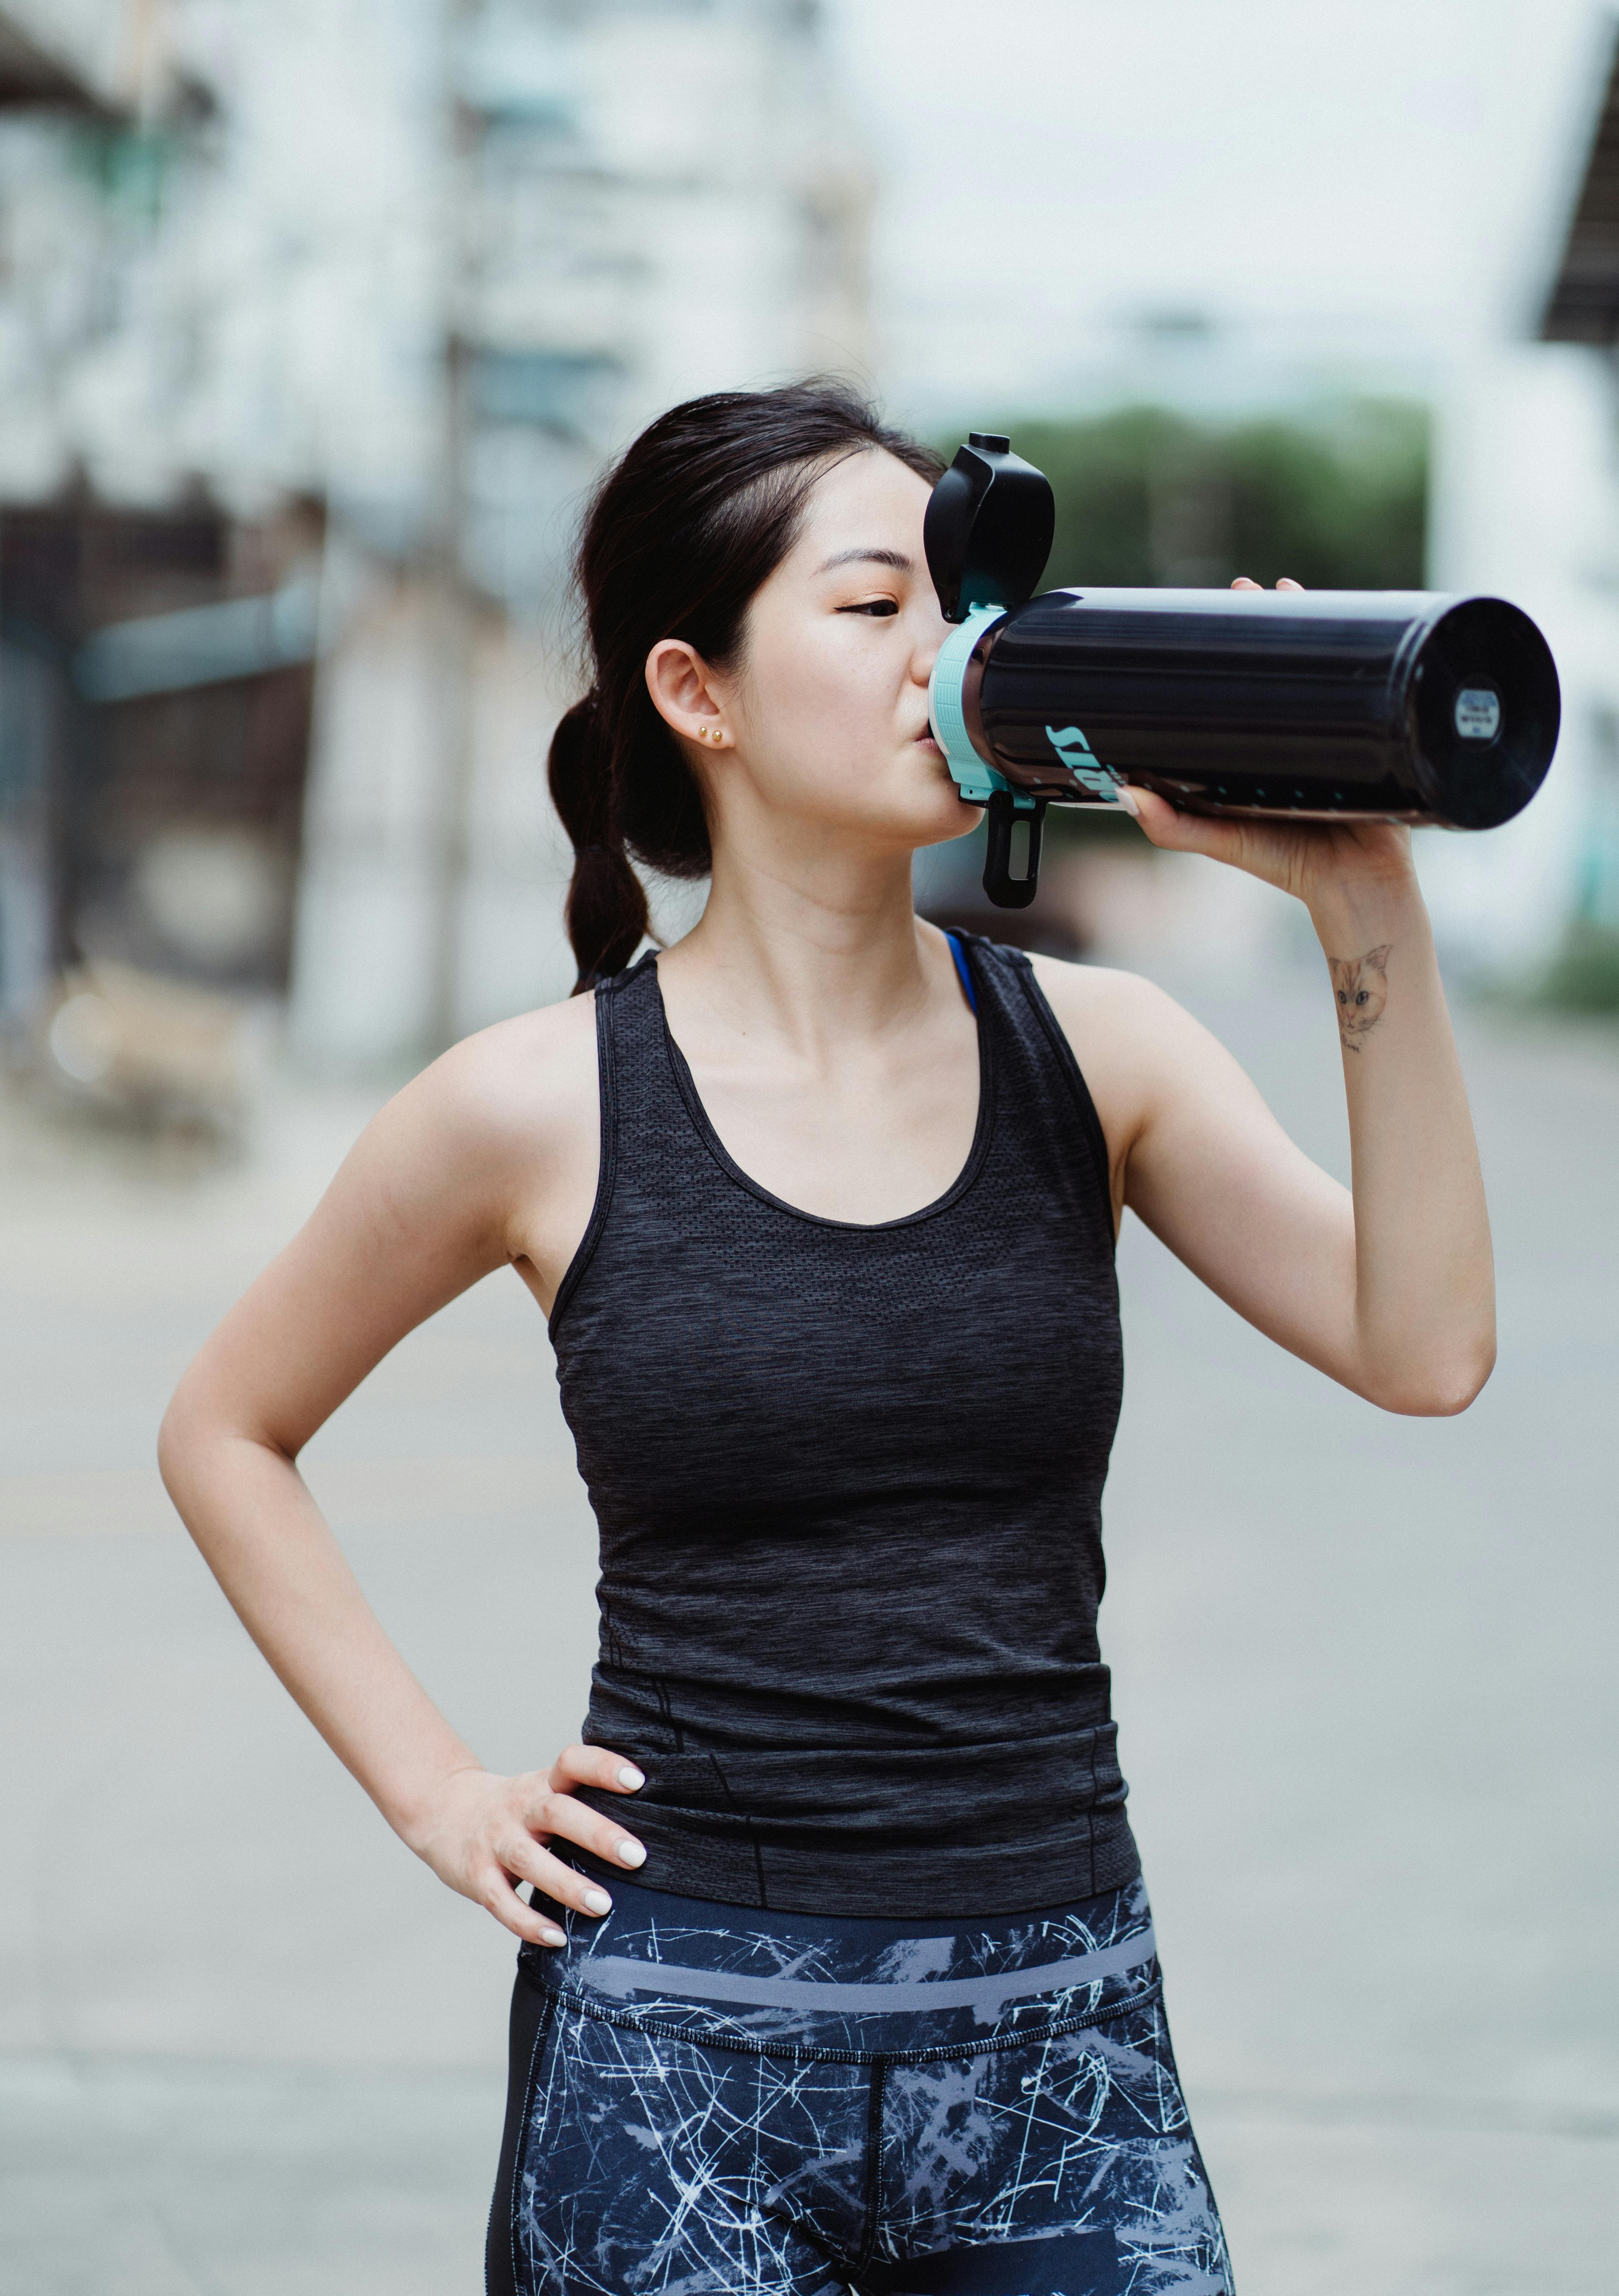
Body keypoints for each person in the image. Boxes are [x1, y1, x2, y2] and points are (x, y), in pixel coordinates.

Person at [159, 382, 1494, 2296]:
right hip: (674, 2064)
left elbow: (1427, 1345)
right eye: (877, 608)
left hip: (1061, 2056)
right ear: (697, 692)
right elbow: (224, 1428)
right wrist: (437, 1791)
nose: (945, 653)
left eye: (954, 606)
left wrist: (1369, 908)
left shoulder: (1096, 1054)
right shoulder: (532, 1107)